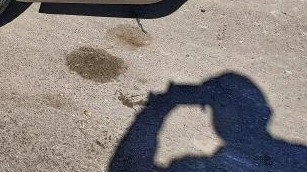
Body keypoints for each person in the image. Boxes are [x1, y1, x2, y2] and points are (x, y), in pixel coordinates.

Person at [110, 73, 307, 171]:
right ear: (266, 112)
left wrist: (159, 106)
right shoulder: (298, 156)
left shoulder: (199, 165)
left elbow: (120, 166)